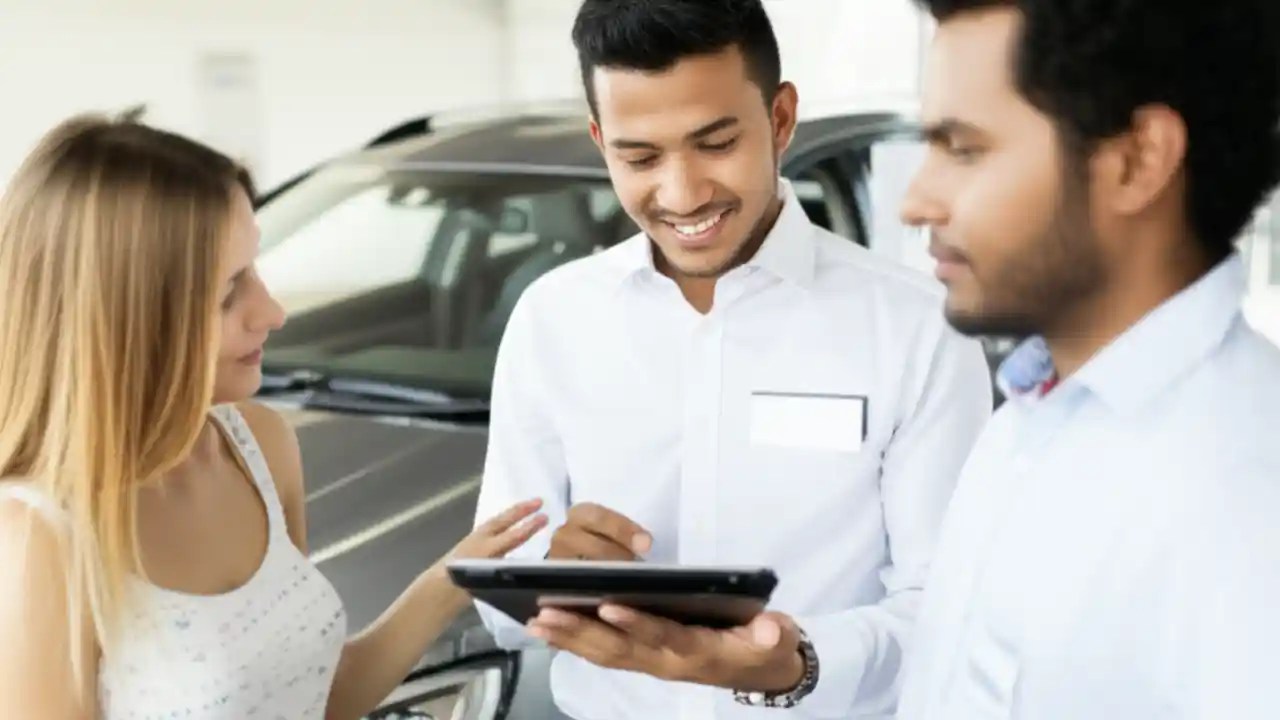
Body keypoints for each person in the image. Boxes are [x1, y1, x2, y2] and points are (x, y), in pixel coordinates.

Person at [471, 1, 993, 718]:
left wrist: (796, 663)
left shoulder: (918, 329)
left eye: (715, 144)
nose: (682, 194)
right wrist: (551, 576)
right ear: (601, 141)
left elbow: (949, 610)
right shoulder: (552, 320)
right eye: (640, 157)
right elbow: (501, 607)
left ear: (780, 119)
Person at [0, 116, 547, 719]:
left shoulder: (256, 444)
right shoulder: (37, 540)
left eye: (255, 270)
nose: (274, 311)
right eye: (230, 291)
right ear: (123, 321)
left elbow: (317, 693)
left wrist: (455, 580)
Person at [895, 1, 1280, 718]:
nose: (915, 201)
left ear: (1136, 161)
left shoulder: (1248, 498)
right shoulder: (1025, 421)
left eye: (964, 149)